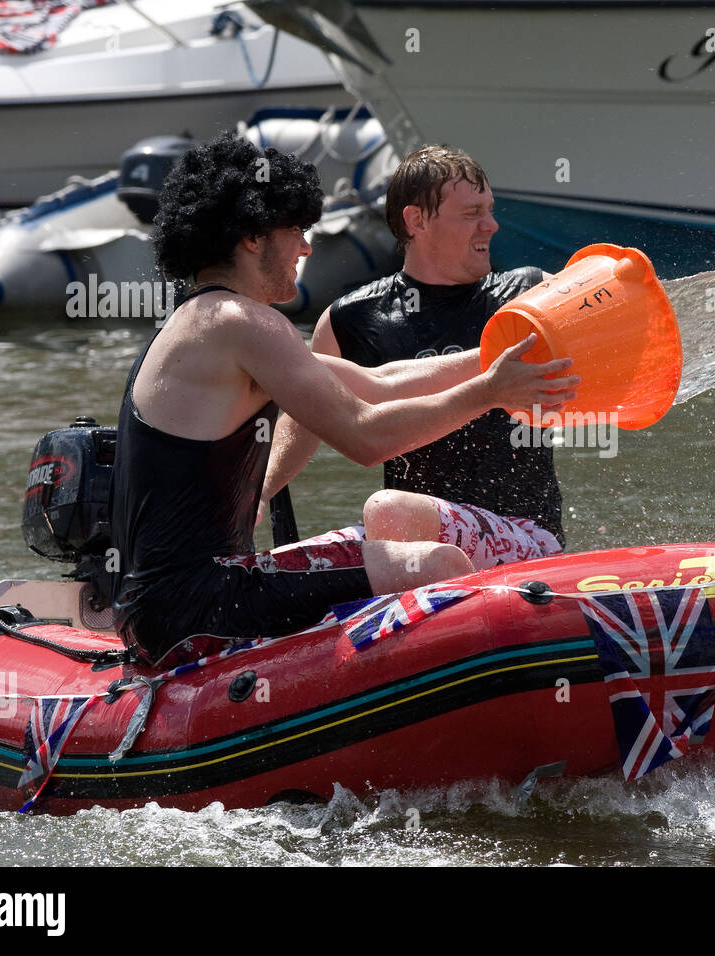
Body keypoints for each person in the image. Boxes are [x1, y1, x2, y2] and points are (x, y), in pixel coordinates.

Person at [110, 134, 577, 665]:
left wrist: (498, 359)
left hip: (168, 599)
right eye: (296, 232)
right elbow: (367, 435)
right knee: (436, 567)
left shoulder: (201, 321)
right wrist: (490, 391)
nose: (307, 249)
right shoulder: (244, 323)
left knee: (394, 550)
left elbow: (381, 382)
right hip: (201, 604)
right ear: (252, 239)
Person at [262, 144, 564, 572]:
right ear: (417, 220)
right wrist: (261, 492)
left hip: (523, 537)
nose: (492, 225)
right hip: (410, 534)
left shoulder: (530, 294)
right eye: (471, 213)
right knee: (285, 564)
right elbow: (304, 418)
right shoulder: (351, 320)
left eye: (490, 209)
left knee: (388, 510)